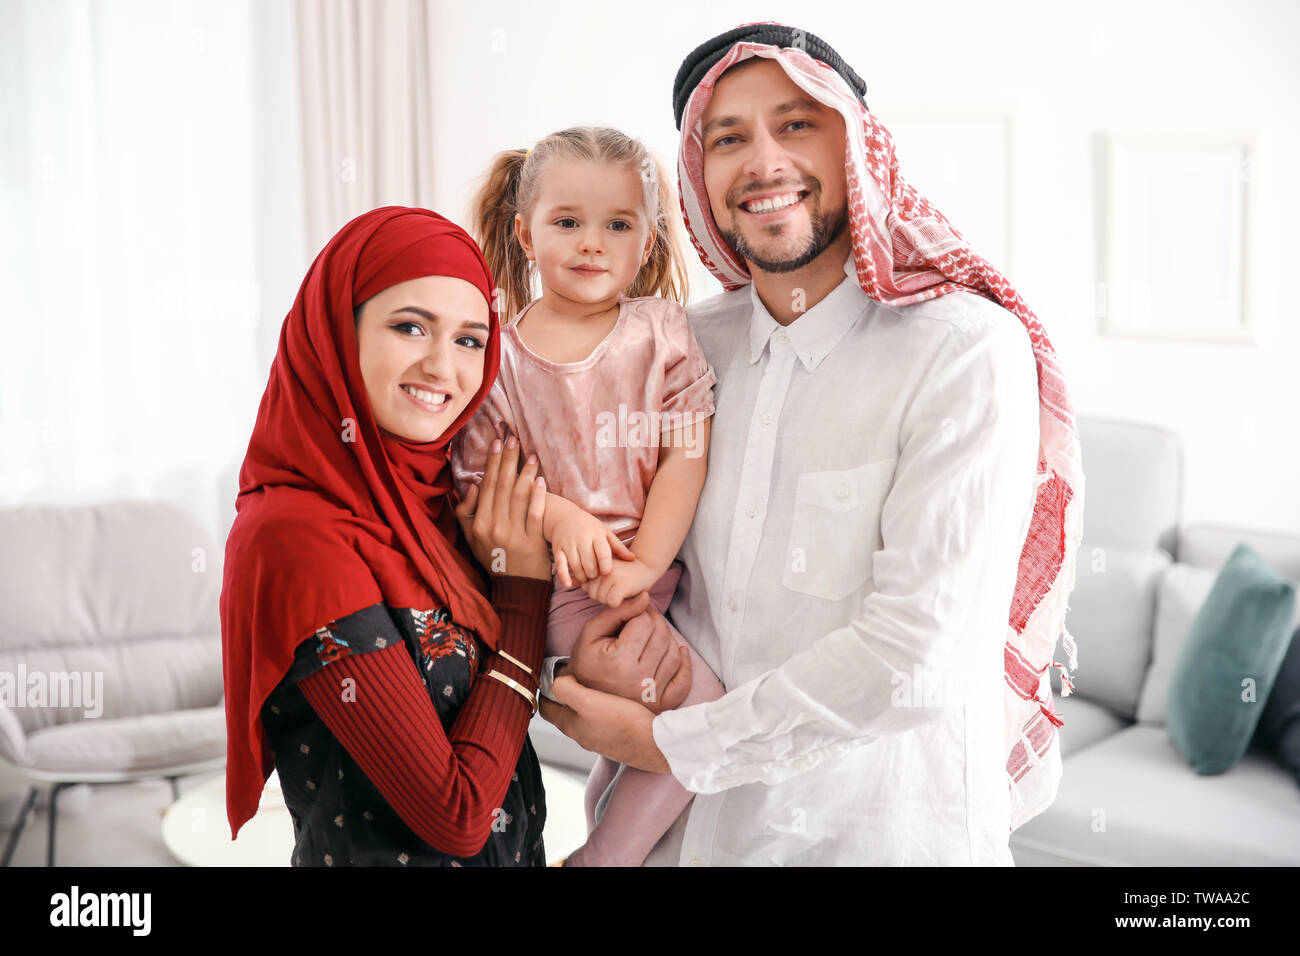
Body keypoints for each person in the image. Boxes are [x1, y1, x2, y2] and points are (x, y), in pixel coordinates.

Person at [540, 23, 1085, 865]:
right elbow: (580, 526)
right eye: (728, 138)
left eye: (796, 124)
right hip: (673, 844)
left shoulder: (962, 353)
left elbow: (915, 660)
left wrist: (682, 747)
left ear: (859, 145)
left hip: (869, 842)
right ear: (697, 174)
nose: (763, 161)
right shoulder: (682, 344)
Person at [221, 205, 559, 866]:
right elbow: (458, 817)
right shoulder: (296, 536)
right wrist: (524, 597)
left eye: (469, 340)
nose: (443, 367)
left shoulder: (444, 501)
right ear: (335, 333)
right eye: (410, 327)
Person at [450, 126, 727, 866]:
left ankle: (602, 828)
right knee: (703, 710)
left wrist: (641, 567)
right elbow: (480, 486)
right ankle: (603, 858)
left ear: (646, 241)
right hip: (563, 597)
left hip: (646, 581)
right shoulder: (498, 353)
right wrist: (561, 514)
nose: (591, 244)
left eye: (617, 225)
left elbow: (684, 460)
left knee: (641, 722)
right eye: (567, 222)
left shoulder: (661, 332)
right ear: (525, 233)